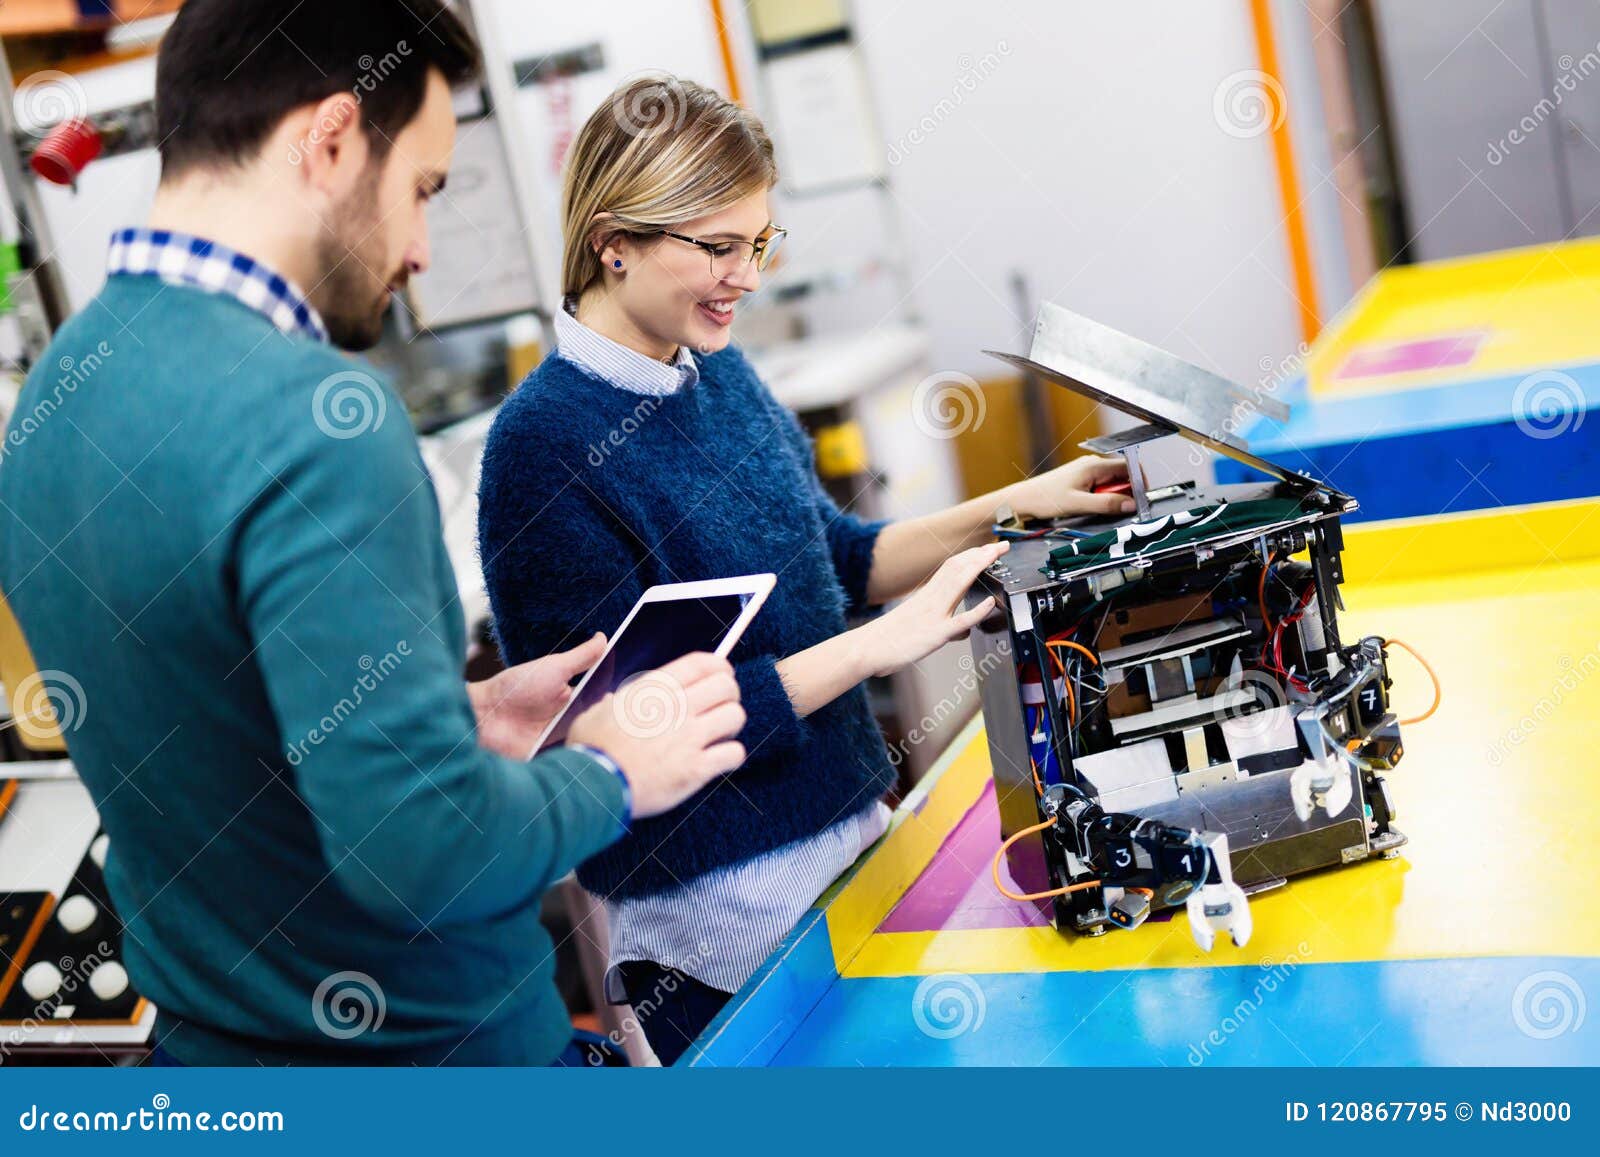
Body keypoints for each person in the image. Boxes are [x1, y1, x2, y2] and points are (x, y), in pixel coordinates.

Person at [0, 1, 746, 1066]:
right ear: (334, 138)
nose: (421, 251)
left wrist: (445, 719)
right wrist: (615, 770)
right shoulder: (317, 421)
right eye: (423, 190)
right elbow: (426, 849)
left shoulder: (52, 403)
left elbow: (218, 734)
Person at [476, 75, 1135, 1064]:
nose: (745, 275)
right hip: (718, 923)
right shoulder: (540, 449)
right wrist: (880, 643)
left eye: (758, 244)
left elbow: (840, 555)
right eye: (717, 247)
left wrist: (1020, 504)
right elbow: (652, 723)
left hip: (850, 843)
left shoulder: (716, 369)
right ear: (613, 239)